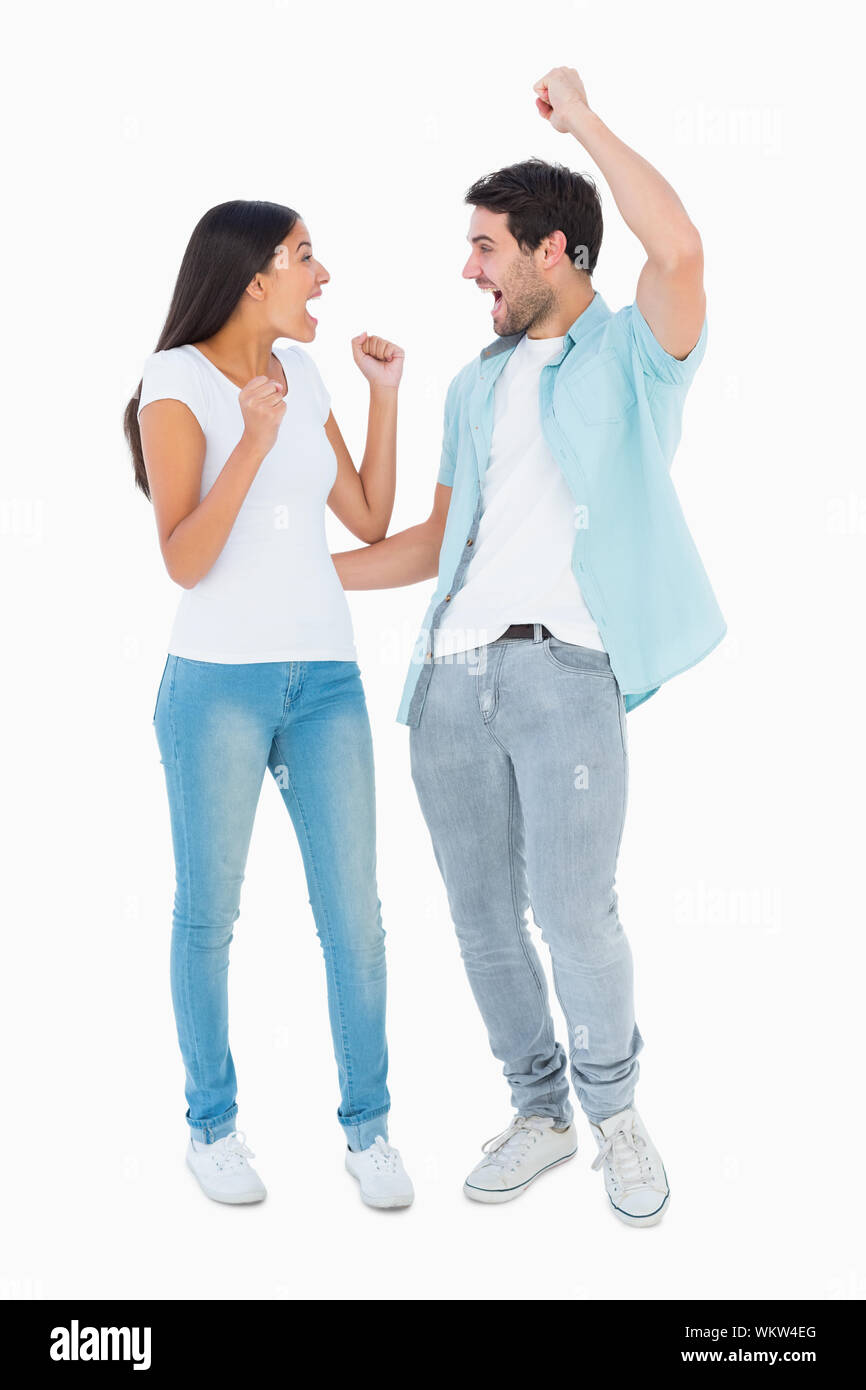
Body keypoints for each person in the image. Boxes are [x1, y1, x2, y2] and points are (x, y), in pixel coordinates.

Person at [332, 67, 725, 1226]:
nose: (468, 269)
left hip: (567, 677)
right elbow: (434, 540)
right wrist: (301, 568)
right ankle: (540, 1109)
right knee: (478, 916)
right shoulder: (472, 383)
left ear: (554, 252)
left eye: (485, 247)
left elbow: (682, 248)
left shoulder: (630, 360)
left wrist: (584, 123)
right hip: (448, 681)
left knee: (575, 910)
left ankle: (615, 1116)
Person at [123, 200, 414, 1209]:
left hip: (324, 677)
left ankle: (367, 1129)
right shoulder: (175, 383)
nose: (321, 275)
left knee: (356, 921)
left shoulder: (307, 370)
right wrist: (248, 440)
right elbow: (184, 560)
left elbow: (371, 516)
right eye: (303, 258)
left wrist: (382, 397)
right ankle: (212, 1126)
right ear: (252, 277)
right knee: (209, 913)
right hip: (218, 683)